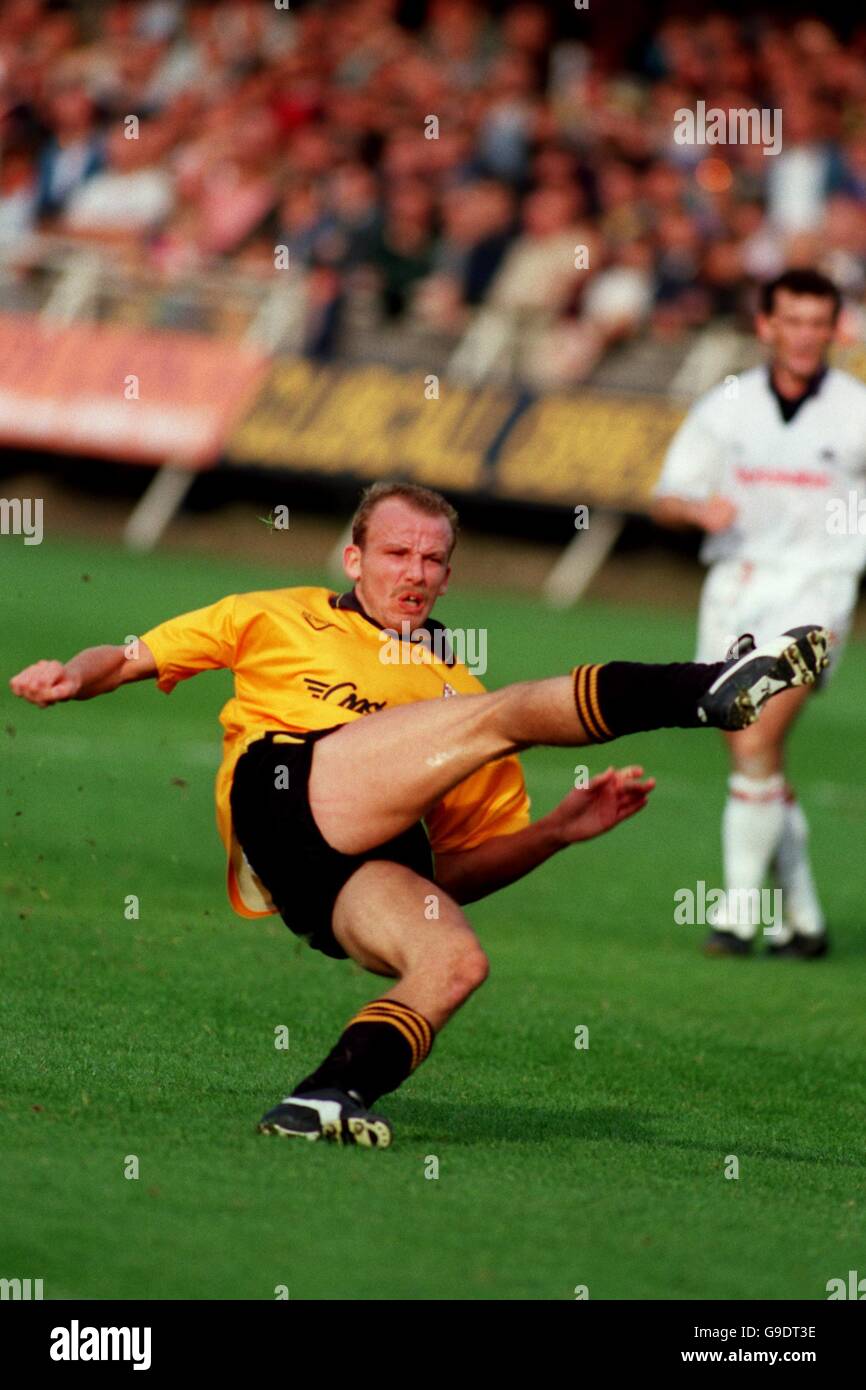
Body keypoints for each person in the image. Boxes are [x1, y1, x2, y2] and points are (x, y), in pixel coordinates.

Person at [10, 481, 828, 1146]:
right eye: (397, 552)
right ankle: (703, 689)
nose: (416, 572)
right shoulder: (276, 613)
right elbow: (125, 655)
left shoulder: (451, 692)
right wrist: (73, 676)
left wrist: (555, 833)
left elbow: (454, 872)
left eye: (434, 560)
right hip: (285, 789)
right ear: (354, 556)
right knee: (505, 713)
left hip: (341, 869)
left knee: (454, 963)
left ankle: (323, 1099)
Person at [651, 269, 866, 960]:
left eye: (818, 322)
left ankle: (739, 913)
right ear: (766, 324)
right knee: (757, 757)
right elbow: (666, 493)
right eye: (792, 320)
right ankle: (801, 918)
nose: (805, 335)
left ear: (834, 329)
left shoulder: (857, 410)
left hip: (818, 590)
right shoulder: (727, 404)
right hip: (736, 588)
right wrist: (695, 508)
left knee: (754, 742)